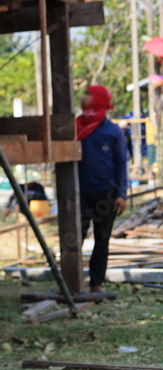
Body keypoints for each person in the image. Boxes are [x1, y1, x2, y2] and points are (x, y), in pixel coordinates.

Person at [76, 85, 129, 293]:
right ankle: (72, 281)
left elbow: (121, 163)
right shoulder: (75, 127)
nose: (84, 97)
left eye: (89, 94)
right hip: (78, 192)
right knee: (74, 237)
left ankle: (96, 283)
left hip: (106, 192)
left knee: (102, 238)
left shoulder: (112, 130)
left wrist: (121, 194)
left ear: (98, 99)